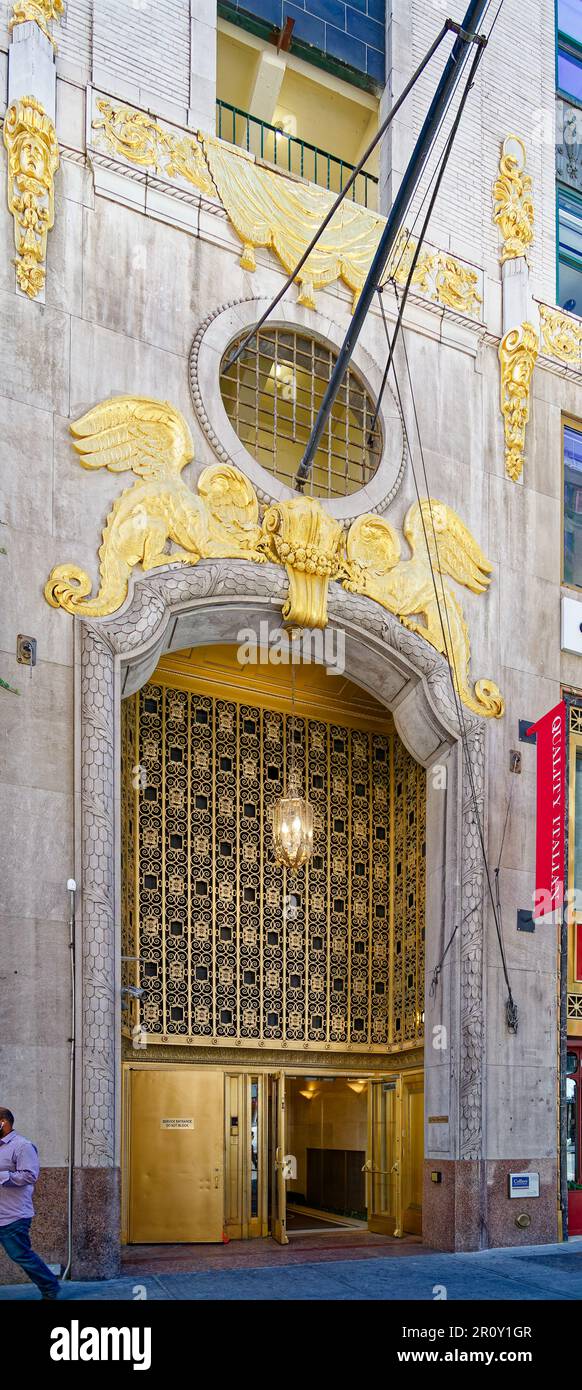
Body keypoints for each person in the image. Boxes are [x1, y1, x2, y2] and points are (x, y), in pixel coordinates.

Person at [0, 1108, 60, 1299]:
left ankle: (50, 1286)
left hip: (13, 1216)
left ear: (3, 1122)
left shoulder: (22, 1146)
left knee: (21, 1255)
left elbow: (30, 1175)